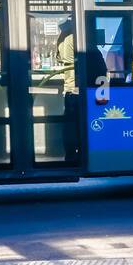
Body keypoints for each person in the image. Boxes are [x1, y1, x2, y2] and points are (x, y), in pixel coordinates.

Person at [56, 18, 79, 164]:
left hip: (69, 87)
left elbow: (59, 58)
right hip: (78, 89)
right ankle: (76, 155)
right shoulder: (75, 38)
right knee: (78, 125)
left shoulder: (62, 38)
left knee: (70, 124)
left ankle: (70, 155)